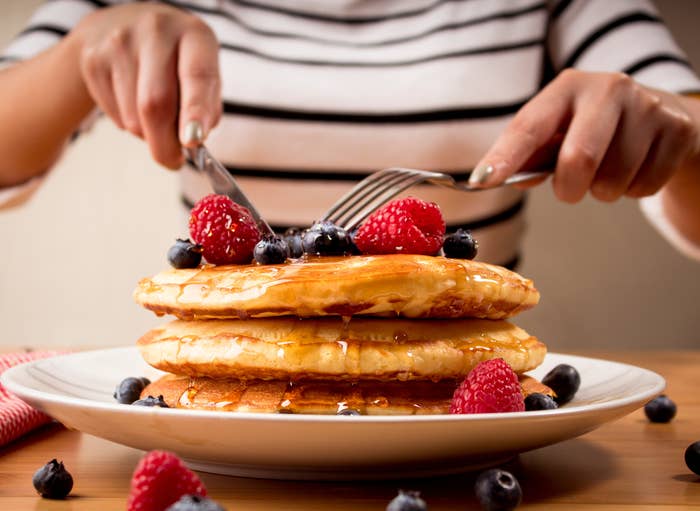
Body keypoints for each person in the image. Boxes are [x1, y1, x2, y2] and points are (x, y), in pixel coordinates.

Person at [1, 0, 699, 265]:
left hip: (468, 426)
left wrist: (682, 133)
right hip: (215, 432)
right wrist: (78, 55)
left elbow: (680, 107)